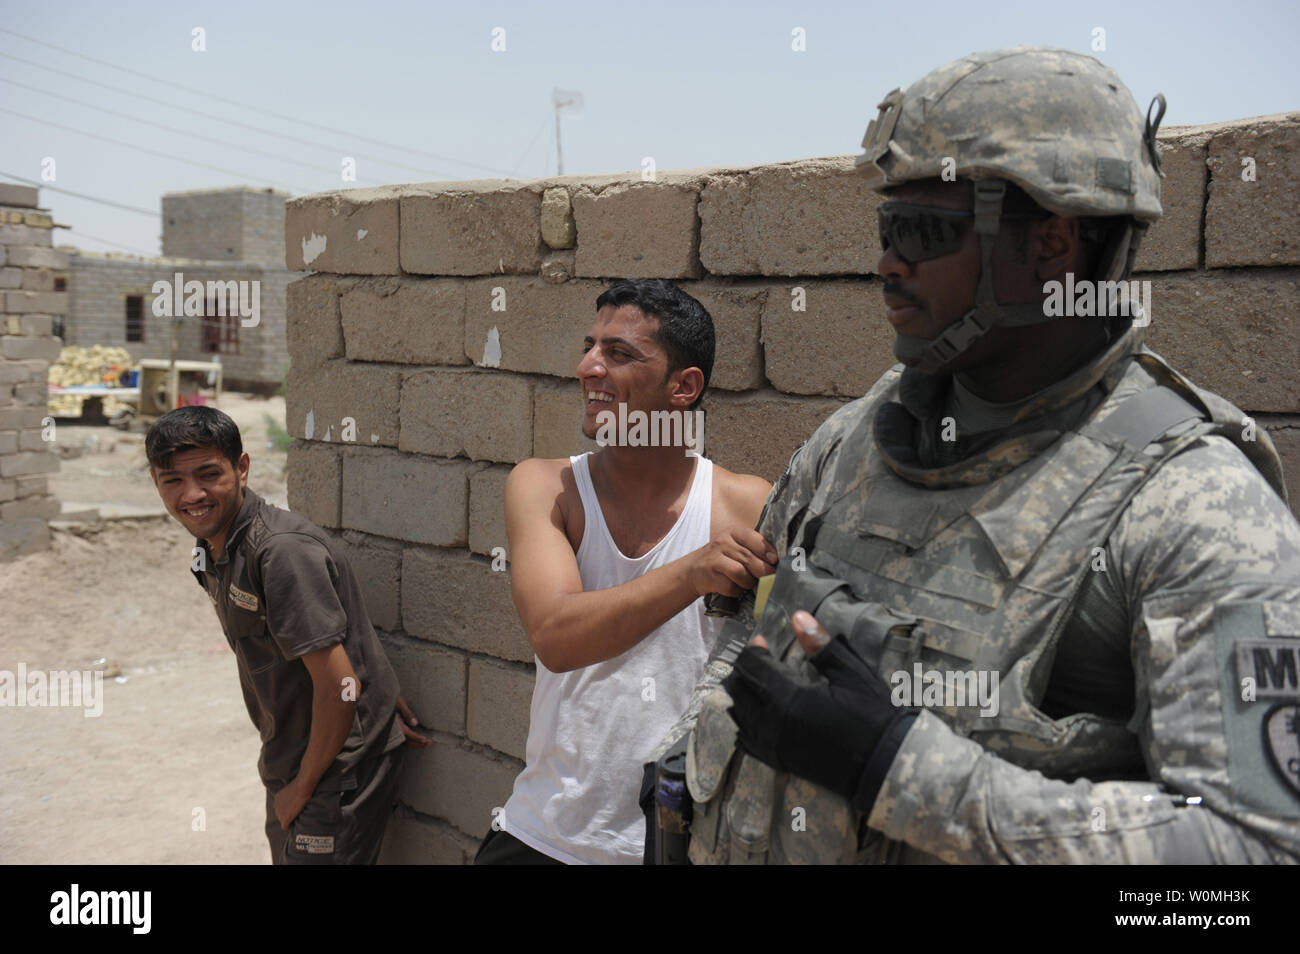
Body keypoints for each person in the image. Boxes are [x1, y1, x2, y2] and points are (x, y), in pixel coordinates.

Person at [653, 46, 1300, 864]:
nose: (889, 263)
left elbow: (1251, 861)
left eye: (924, 232)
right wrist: (682, 767)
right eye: (889, 228)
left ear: (1054, 245)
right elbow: (752, 624)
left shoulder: (1196, 509)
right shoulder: (853, 441)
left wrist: (894, 768)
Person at [475, 278, 775, 864]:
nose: (589, 367)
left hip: (678, 847)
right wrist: (693, 572)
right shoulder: (547, 487)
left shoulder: (745, 506)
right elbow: (557, 636)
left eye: (619, 353)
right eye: (590, 347)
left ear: (684, 387)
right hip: (543, 836)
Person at [147, 406, 429, 864]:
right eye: (172, 480)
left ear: (242, 468)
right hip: (294, 757)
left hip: (331, 771)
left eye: (208, 474)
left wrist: (302, 787)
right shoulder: (212, 549)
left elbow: (340, 687)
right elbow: (326, 636)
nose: (192, 494)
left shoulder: (280, 554)